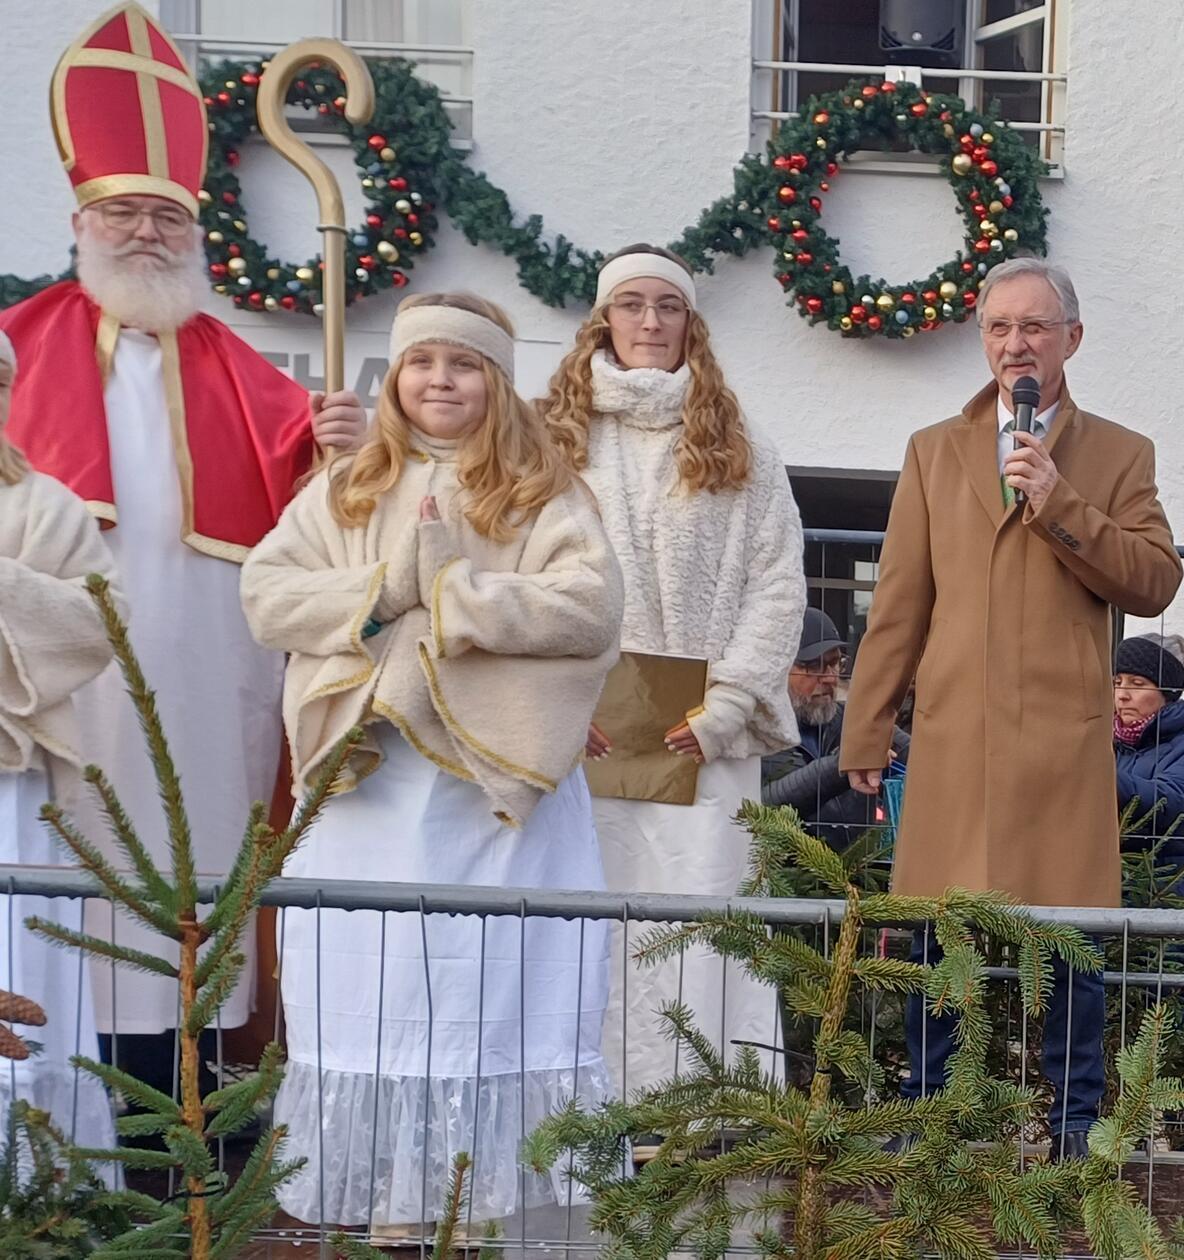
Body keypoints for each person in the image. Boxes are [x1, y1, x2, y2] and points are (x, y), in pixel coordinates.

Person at [0, 3, 366, 1094]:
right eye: (125, 212)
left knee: (204, 849)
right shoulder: (17, 347)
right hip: (68, 677)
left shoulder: (253, 374)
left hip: (215, 672)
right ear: (83, 218)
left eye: (168, 214)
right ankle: (73, 1083)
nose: (148, 232)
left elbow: (320, 510)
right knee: (81, 860)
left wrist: (335, 449)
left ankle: (197, 1084)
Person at [240, 293, 623, 1232]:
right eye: (422, 363)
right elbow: (267, 594)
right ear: (396, 379)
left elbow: (589, 610)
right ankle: (391, 1212)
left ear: (495, 381)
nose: (439, 380)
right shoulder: (347, 489)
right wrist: (381, 592)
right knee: (376, 986)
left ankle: (487, 1203)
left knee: (483, 984)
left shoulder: (545, 490)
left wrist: (456, 600)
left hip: (490, 795)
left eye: (463, 365)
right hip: (371, 789)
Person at [838, 256, 1183, 1161]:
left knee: (1069, 943)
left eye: (1035, 327)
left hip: (1062, 742)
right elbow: (901, 602)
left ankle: (1072, 1124)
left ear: (1072, 337)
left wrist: (1058, 501)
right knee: (936, 934)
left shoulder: (1119, 453)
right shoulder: (934, 449)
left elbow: (1154, 583)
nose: (1016, 345)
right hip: (952, 735)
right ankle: (929, 1114)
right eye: (999, 328)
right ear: (982, 339)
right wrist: (866, 726)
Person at [540, 245, 805, 1098]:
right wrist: (548, 700)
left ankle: (707, 1108)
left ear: (692, 322)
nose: (649, 322)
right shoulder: (550, 440)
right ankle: (585, 1107)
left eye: (667, 306)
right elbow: (513, 567)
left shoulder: (741, 445)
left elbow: (777, 581)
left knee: (704, 917)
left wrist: (730, 702)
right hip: (584, 728)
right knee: (586, 922)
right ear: (602, 320)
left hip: (702, 737)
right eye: (631, 305)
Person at [0, 330, 118, 1158]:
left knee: (25, 971)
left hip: (13, 783)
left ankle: (41, 1205)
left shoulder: (48, 509)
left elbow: (94, 620)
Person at [1111, 633, 1184, 1154]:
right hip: (1115, 911)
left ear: (1168, 693)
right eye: (1117, 683)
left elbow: (1174, 802)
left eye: (1137, 684)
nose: (1124, 695)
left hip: (1182, 913)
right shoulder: (1106, 744)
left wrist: (1092, 774)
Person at [762, 608, 910, 848]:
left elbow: (922, 756)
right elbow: (767, 804)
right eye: (814, 666)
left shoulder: (853, 719)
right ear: (778, 667)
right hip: (789, 877)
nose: (830, 677)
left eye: (835, 663)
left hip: (863, 876)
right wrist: (844, 764)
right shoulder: (761, 731)